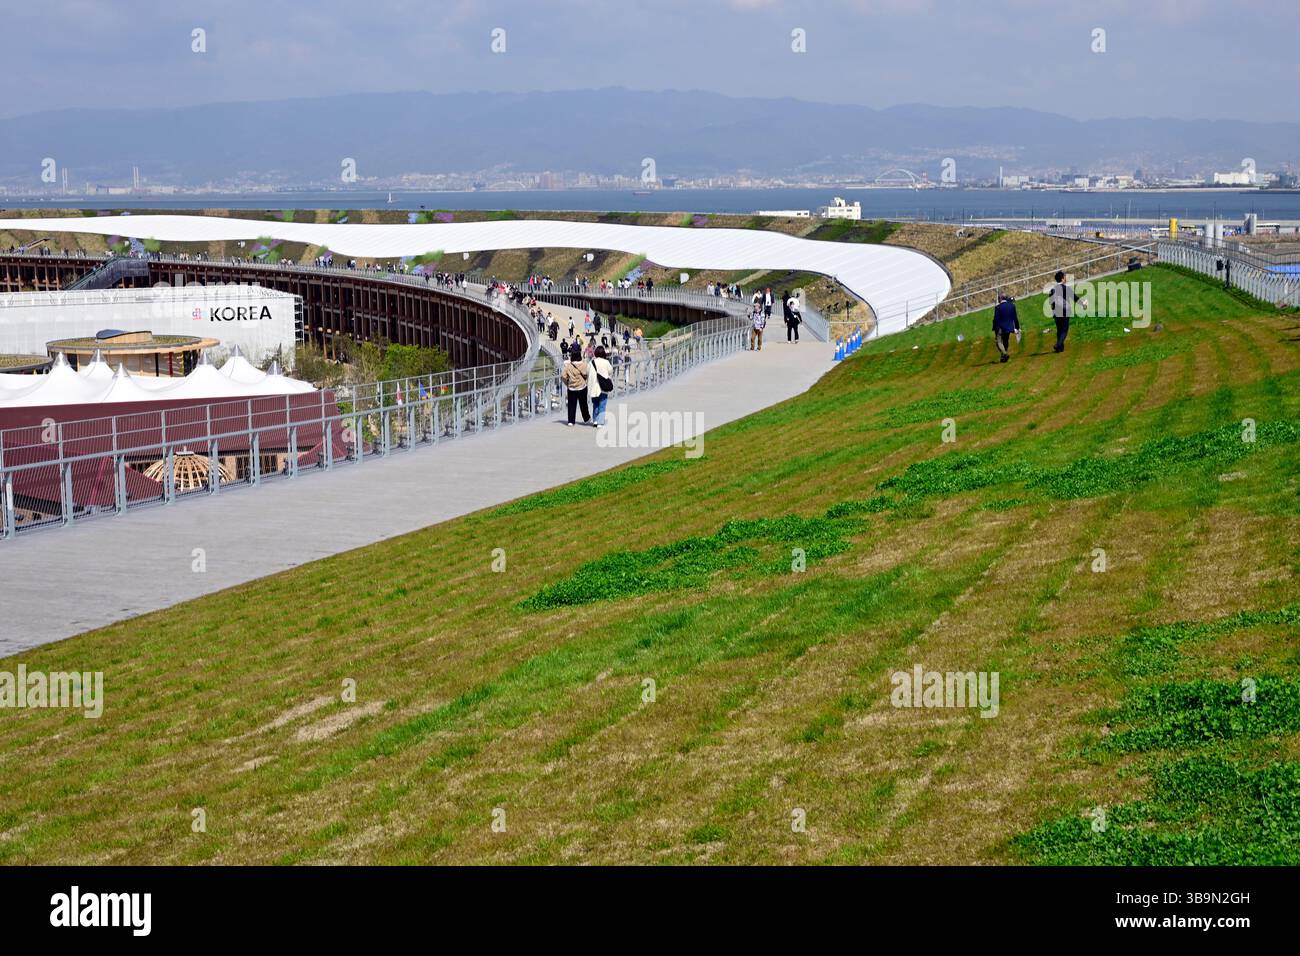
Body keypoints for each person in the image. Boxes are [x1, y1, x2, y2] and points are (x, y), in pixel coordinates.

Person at [1047, 270, 1085, 353]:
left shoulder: (1052, 290)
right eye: (1065, 277)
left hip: (1056, 312)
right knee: (1064, 330)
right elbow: (1074, 298)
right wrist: (1083, 304)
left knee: (1059, 330)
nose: (1066, 278)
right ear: (1062, 279)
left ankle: (1060, 348)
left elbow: (1051, 302)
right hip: (1065, 311)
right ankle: (1058, 344)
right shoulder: (1066, 288)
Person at [562, 344, 591, 426]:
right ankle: (586, 418)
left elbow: (563, 376)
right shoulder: (584, 364)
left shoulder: (568, 366)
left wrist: (567, 383)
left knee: (571, 405)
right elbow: (587, 373)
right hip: (582, 387)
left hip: (572, 388)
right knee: (583, 404)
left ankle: (571, 421)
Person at [587, 345, 615, 428]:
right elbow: (610, 371)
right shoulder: (606, 362)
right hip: (603, 387)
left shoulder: (591, 362)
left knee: (595, 404)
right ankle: (600, 422)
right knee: (602, 404)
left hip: (593, 387)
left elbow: (587, 372)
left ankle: (595, 420)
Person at [992, 294, 1020, 363]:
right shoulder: (1012, 306)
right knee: (1005, 341)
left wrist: (994, 327)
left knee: (999, 342)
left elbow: (996, 319)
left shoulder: (998, 307)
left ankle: (1004, 354)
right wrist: (1017, 327)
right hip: (1009, 327)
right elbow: (1015, 318)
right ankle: (1004, 357)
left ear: (1000, 299)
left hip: (1000, 327)